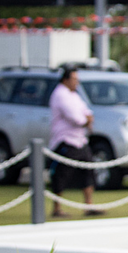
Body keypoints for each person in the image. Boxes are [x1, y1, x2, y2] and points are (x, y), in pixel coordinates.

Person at [49, 68, 102, 217]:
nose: (76, 82)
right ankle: (56, 208)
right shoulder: (60, 94)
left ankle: (89, 206)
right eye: (74, 79)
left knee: (87, 172)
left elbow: (87, 112)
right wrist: (86, 120)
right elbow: (75, 118)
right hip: (65, 140)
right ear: (65, 79)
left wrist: (87, 119)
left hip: (80, 140)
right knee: (61, 174)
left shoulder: (74, 95)